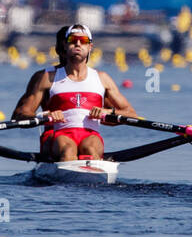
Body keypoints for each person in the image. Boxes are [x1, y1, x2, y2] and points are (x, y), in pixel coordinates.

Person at [11, 23, 138, 160]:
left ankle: (91, 174)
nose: (77, 45)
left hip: (89, 136)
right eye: (72, 41)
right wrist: (44, 116)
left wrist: (107, 113)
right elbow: (19, 115)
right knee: (68, 149)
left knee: (90, 148)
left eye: (83, 41)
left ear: (90, 47)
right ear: (63, 47)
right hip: (57, 137)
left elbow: (130, 115)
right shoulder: (45, 77)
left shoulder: (102, 79)